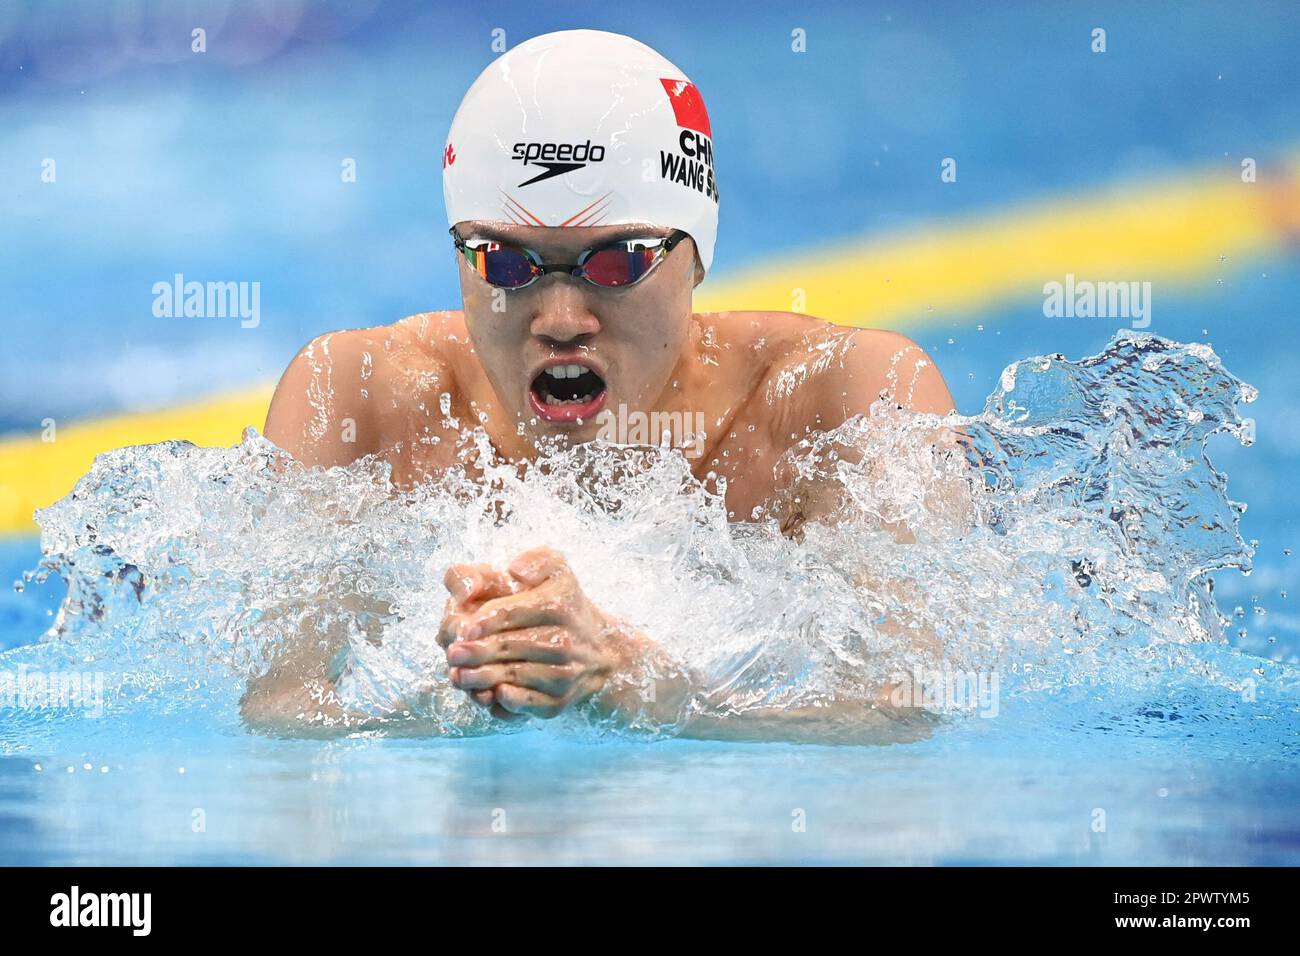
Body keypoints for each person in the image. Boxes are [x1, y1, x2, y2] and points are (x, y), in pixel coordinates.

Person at [245, 30, 955, 737]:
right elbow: (278, 731)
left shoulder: (845, 401)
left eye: (616, 263)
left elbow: (909, 721)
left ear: (697, 258)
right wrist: (457, 693)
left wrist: (641, 684)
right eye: (505, 264)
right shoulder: (360, 399)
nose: (559, 320)